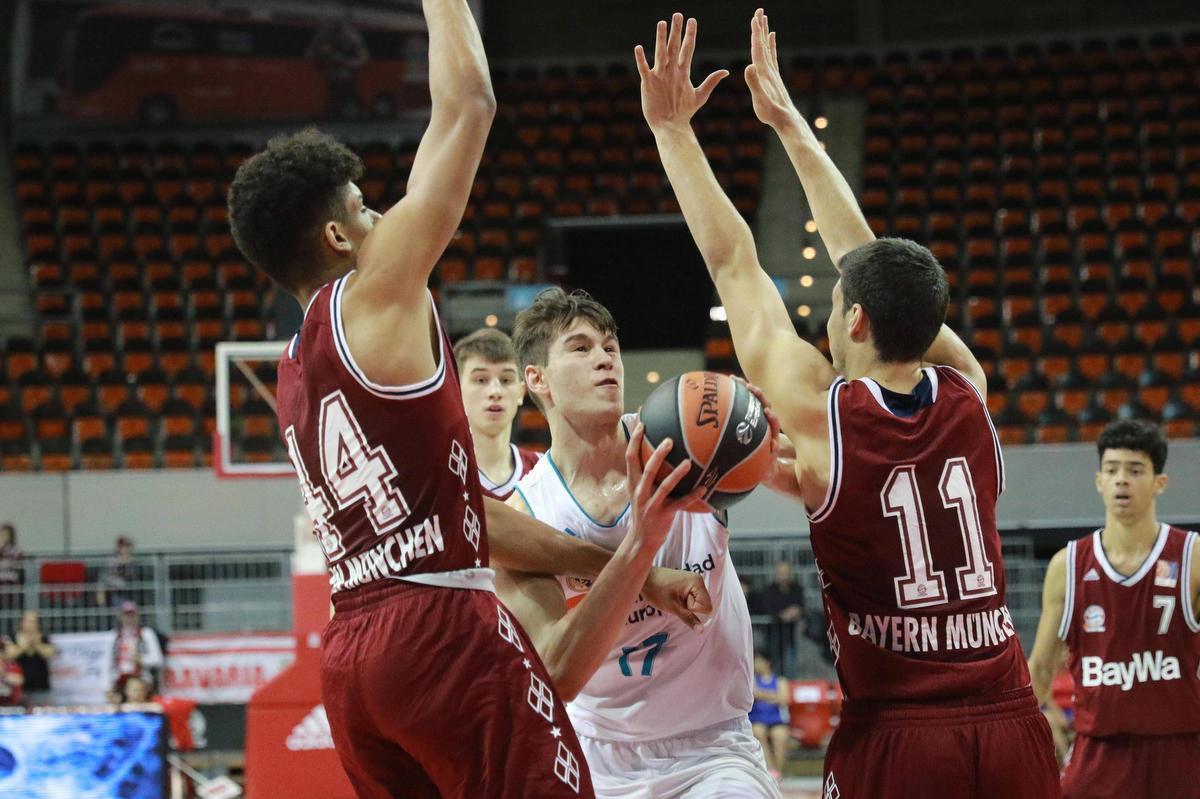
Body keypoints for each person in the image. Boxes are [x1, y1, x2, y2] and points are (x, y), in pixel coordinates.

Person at [227, 2, 705, 795]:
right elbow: (468, 104)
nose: (386, 217)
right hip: (438, 632)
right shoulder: (373, 294)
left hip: (352, 656)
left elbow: (471, 519)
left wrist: (630, 569)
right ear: (341, 239)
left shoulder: (292, 373)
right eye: (367, 209)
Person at [637, 11, 1059, 797]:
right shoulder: (969, 388)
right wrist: (792, 125)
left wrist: (672, 132)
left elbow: (734, 264)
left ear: (855, 321)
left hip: (901, 730)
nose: (830, 310)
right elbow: (863, 260)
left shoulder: (821, 410)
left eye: (836, 302)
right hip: (1012, 723)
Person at [504, 287, 781, 799]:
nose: (605, 358)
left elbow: (794, 470)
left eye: (610, 346)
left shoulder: (685, 447)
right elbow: (557, 673)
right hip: (599, 757)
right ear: (537, 379)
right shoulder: (529, 517)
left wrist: (758, 440)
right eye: (581, 348)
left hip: (714, 750)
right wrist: (639, 559)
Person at [1027, 420, 1199, 799]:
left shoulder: (1193, 557)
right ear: (1099, 481)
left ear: (1160, 483)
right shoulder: (1067, 566)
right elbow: (1040, 667)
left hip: (1180, 750)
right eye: (1112, 470)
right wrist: (1022, 731)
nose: (1122, 480)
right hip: (1100, 751)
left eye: (1135, 470)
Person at [454, 328, 541, 499]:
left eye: (506, 380)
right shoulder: (442, 474)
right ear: (457, 391)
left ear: (521, 392)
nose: (495, 391)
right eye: (481, 380)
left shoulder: (543, 471)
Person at [752, 560, 806, 677]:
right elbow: (768, 608)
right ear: (776, 573)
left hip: (790, 632)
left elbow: (801, 605)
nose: (783, 575)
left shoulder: (796, 588)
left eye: (786, 572)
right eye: (781, 572)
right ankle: (776, 689)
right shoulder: (770, 590)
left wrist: (795, 611)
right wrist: (782, 614)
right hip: (773, 633)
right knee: (775, 662)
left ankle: (790, 687)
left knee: (790, 662)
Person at [749, 652, 791, 781]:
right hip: (757, 718)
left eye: (758, 661)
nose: (755, 665)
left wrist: (761, 695)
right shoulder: (752, 679)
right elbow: (753, 693)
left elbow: (784, 699)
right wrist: (773, 695)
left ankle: (778, 772)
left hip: (776, 719)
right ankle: (769, 770)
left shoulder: (780, 680)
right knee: (758, 733)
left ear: (767, 663)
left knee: (780, 736)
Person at [108, 601, 164, 697]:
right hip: (120, 680)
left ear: (137, 615)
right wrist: (109, 685)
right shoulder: (114, 635)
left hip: (141, 680)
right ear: (120, 616)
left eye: (132, 614)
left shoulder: (146, 633)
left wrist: (140, 660)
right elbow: (108, 663)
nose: (129, 618)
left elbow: (158, 660)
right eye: (126, 614)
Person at [6, 610, 54, 705]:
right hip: (19, 688)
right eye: (28, 621)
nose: (30, 625)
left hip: (41, 687)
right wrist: (24, 645)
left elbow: (49, 654)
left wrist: (36, 644)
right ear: (22, 622)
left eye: (33, 622)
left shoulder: (43, 638)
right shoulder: (13, 638)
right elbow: (9, 655)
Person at [97, 535, 136, 608]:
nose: (125, 549)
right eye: (122, 546)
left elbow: (133, 578)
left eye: (127, 546)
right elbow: (104, 579)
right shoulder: (110, 561)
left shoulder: (134, 562)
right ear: (118, 547)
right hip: (114, 592)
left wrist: (127, 563)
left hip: (129, 592)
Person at [0, 523, 22, 613]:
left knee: (10, 609)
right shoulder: (1, 549)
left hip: (11, 580)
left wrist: (7, 564)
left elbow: (18, 564)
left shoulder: (16, 549)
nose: (4, 537)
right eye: (2, 534)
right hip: (1, 578)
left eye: (6, 534)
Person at [0, 639, 23, 706]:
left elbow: (19, 680)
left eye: (2, 651)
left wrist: (3, 674)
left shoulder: (12, 665)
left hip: (11, 705)